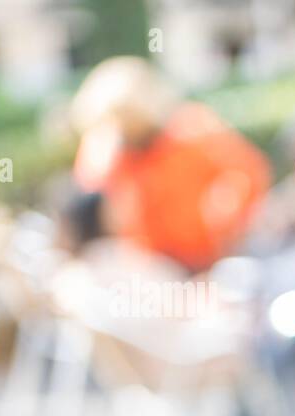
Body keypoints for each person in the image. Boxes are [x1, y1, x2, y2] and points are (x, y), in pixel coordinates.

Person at [71, 56, 270, 274]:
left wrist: (225, 214)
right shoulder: (108, 151)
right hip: (152, 266)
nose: (126, 125)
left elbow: (247, 171)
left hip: (210, 259)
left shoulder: (190, 129)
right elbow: (91, 193)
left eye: (128, 114)